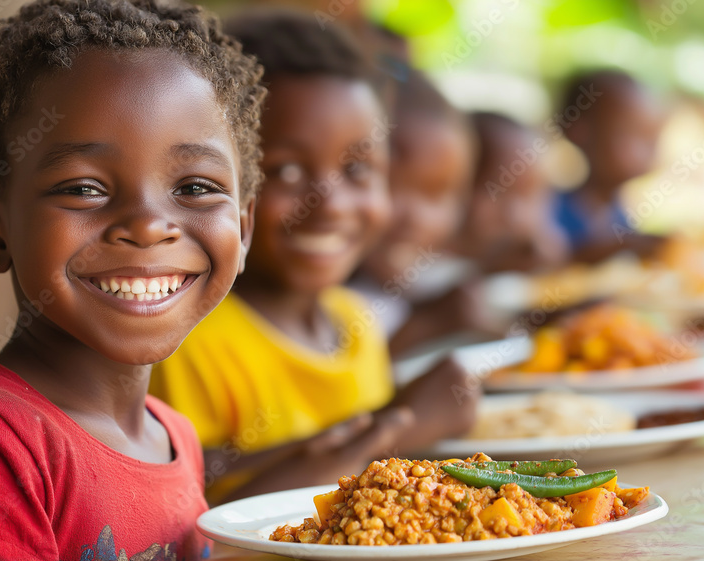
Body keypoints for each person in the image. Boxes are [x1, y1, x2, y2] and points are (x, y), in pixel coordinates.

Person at [0, 1, 266, 559]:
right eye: (84, 188)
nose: (149, 226)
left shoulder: (173, 436)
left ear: (244, 229)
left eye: (196, 187)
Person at [149, 10, 477, 504]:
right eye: (284, 171)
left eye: (358, 169)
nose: (331, 205)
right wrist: (395, 426)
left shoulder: (356, 324)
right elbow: (192, 504)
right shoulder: (188, 341)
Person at [352, 68, 489, 358]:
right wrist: (427, 324)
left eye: (438, 193)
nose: (416, 216)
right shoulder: (331, 300)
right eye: (392, 184)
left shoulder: (433, 280)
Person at [554, 69, 665, 263]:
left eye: (652, 137)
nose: (650, 149)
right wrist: (624, 246)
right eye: (634, 134)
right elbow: (549, 267)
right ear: (579, 132)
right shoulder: (547, 212)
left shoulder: (618, 212)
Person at [456, 112, 568, 274]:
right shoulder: (425, 263)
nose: (514, 214)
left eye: (528, 196)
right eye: (495, 192)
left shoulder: (530, 250)